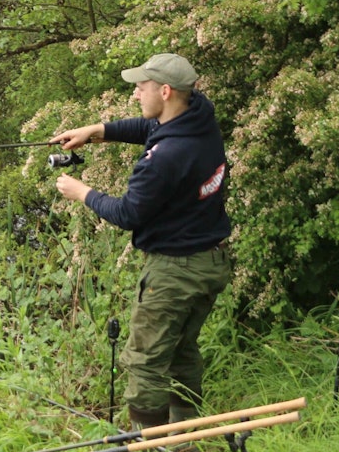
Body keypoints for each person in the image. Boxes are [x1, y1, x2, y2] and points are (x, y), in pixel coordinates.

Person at [50, 53, 232, 431]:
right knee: (181, 349)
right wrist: (96, 130)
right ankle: (185, 435)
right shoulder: (199, 117)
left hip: (175, 272)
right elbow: (149, 126)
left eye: (141, 87)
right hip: (210, 262)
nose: (135, 94)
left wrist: (82, 192)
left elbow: (128, 214)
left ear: (165, 91)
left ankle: (147, 448)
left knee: (146, 361)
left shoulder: (164, 158)